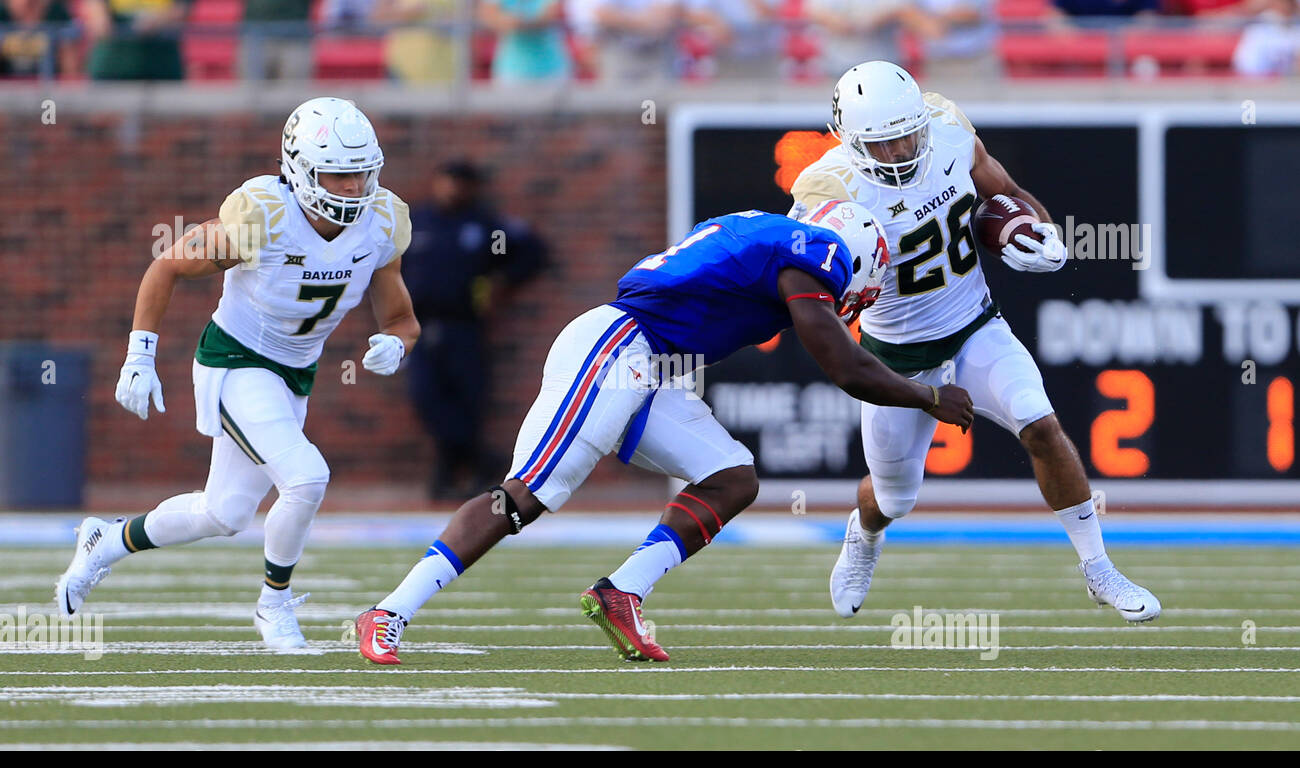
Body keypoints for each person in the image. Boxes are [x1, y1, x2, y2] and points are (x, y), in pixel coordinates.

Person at [356, 201, 975, 664]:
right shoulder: (819, 251)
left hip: (648, 362)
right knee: (527, 494)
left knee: (731, 476)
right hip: (618, 347)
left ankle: (622, 591)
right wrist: (929, 396)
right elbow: (844, 364)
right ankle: (388, 611)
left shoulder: (766, 229)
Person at [790, 61, 1161, 624]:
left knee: (1040, 423)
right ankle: (863, 535)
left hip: (974, 327)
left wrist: (1040, 234)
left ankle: (1098, 568)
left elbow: (1006, 194)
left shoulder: (947, 126)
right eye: (884, 143)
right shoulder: (826, 186)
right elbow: (804, 284)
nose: (901, 150)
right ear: (850, 140)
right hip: (896, 358)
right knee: (893, 499)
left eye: (908, 134)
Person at [55, 98, 419, 652]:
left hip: (295, 374)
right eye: (338, 174)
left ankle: (106, 540)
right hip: (236, 362)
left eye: (362, 173)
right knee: (307, 477)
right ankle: (273, 606)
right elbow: (168, 265)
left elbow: (401, 317)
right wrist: (139, 356)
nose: (351, 187)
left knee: (221, 514)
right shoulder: (265, 215)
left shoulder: (383, 222)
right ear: (299, 168)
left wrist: (397, 342)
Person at [403, 160, 548, 499]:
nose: (454, 189)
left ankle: (449, 474)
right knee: (426, 398)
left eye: (463, 182)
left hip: (465, 327)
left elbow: (531, 250)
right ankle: (481, 461)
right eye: (450, 180)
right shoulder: (417, 221)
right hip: (421, 327)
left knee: (469, 402)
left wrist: (503, 280)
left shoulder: (484, 225)